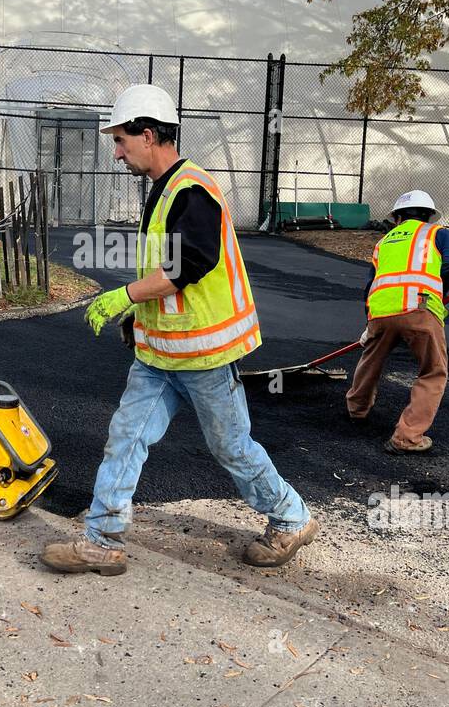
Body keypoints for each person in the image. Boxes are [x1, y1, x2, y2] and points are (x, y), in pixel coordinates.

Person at [41, 84, 318, 576]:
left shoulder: (192, 191)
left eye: (122, 139)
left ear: (148, 135)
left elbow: (187, 266)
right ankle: (101, 540)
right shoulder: (166, 189)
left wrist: (123, 296)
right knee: (125, 437)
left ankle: (291, 517)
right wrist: (138, 316)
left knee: (230, 446)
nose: (117, 150)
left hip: (205, 355)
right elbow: (167, 269)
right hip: (161, 354)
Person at [346, 190, 449, 453]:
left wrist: (369, 322)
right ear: (429, 216)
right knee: (433, 371)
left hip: (381, 311)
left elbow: (371, 283)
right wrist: (439, 291)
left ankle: (357, 410)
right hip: (419, 307)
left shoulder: (384, 242)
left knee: (371, 360)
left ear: (397, 218)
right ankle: (406, 438)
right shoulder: (438, 234)